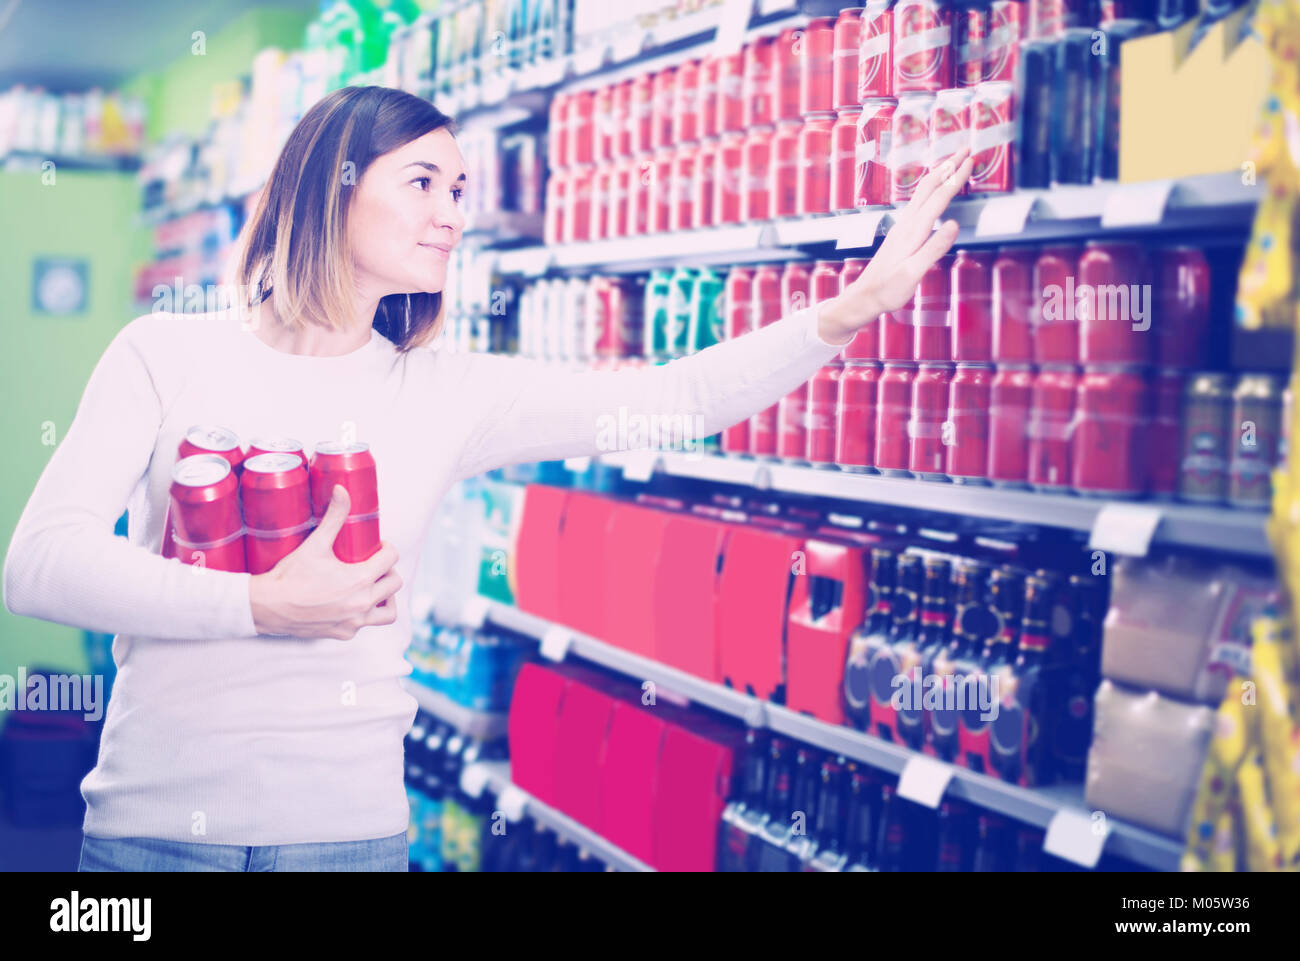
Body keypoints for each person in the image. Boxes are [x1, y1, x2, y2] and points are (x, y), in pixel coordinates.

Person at [2, 85, 972, 872]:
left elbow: (677, 399)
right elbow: (40, 564)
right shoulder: (166, 353)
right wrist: (262, 602)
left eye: (461, 190)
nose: (453, 215)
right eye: (424, 181)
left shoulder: (447, 391)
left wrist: (848, 311)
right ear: (328, 183)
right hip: (152, 831)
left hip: (348, 834)